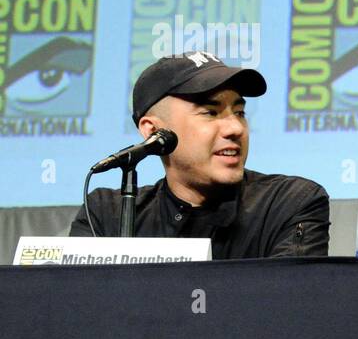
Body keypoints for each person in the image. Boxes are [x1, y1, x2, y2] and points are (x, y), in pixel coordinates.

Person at [70, 51, 330, 258]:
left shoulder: (288, 204)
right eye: (210, 112)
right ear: (154, 131)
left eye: (239, 112)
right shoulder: (107, 214)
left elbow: (286, 309)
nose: (235, 128)